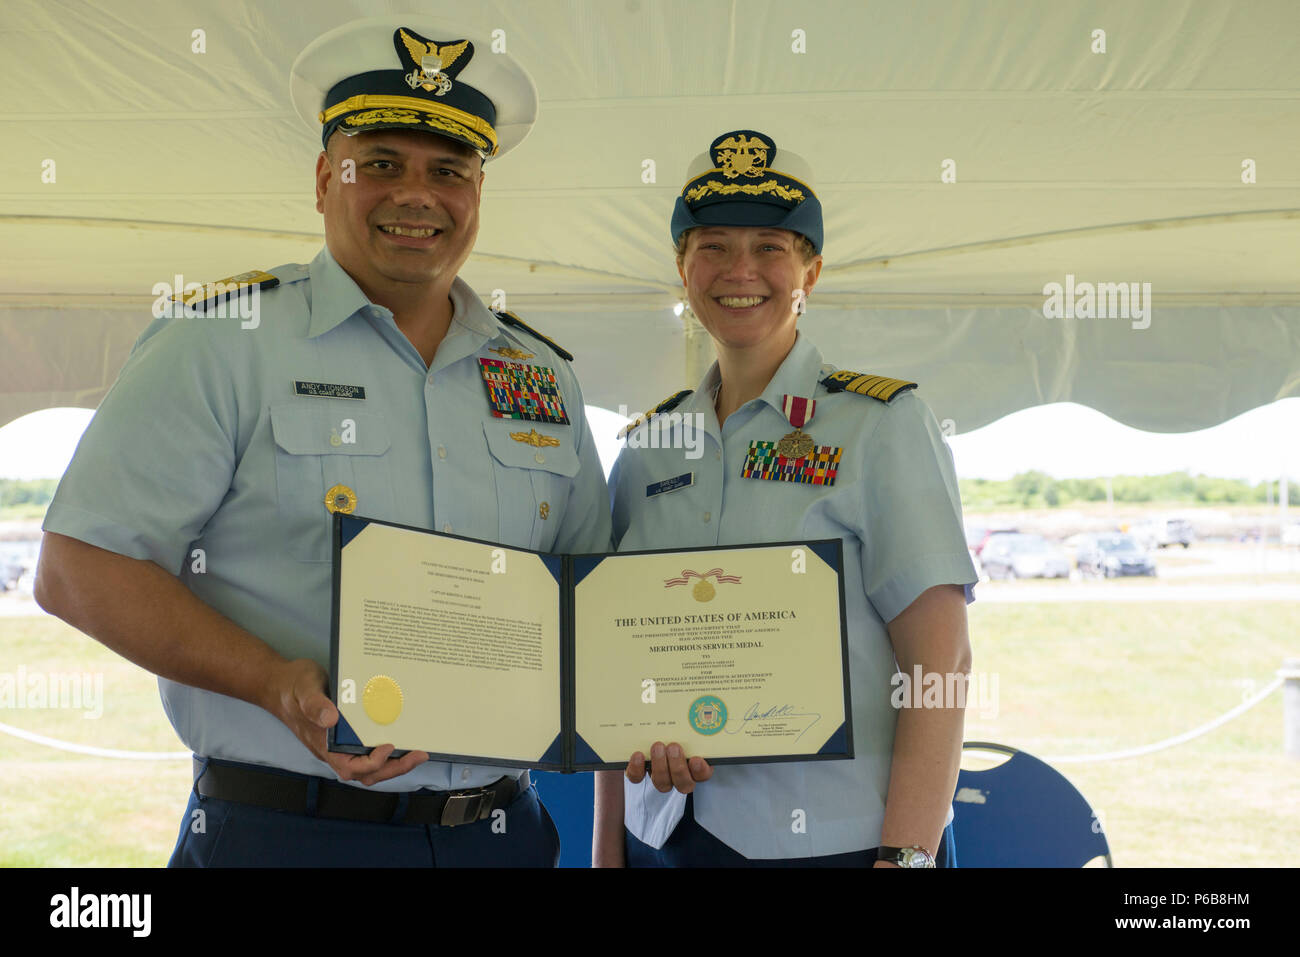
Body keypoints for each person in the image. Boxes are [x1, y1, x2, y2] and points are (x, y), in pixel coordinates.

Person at [34, 16, 610, 867]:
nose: (417, 194)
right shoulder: (225, 340)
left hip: (503, 833)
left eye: (448, 171)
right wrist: (270, 680)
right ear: (322, 178)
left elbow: (586, 594)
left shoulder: (543, 376)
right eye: (380, 163)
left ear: (477, 194)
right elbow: (80, 567)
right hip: (286, 834)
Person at [592, 130, 977, 867]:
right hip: (666, 839)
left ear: (812, 270)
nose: (741, 269)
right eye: (713, 245)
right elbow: (607, 662)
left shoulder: (880, 427)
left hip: (842, 844)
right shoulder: (645, 450)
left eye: (771, 245)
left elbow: (940, 661)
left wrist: (908, 856)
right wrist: (607, 852)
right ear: (682, 267)